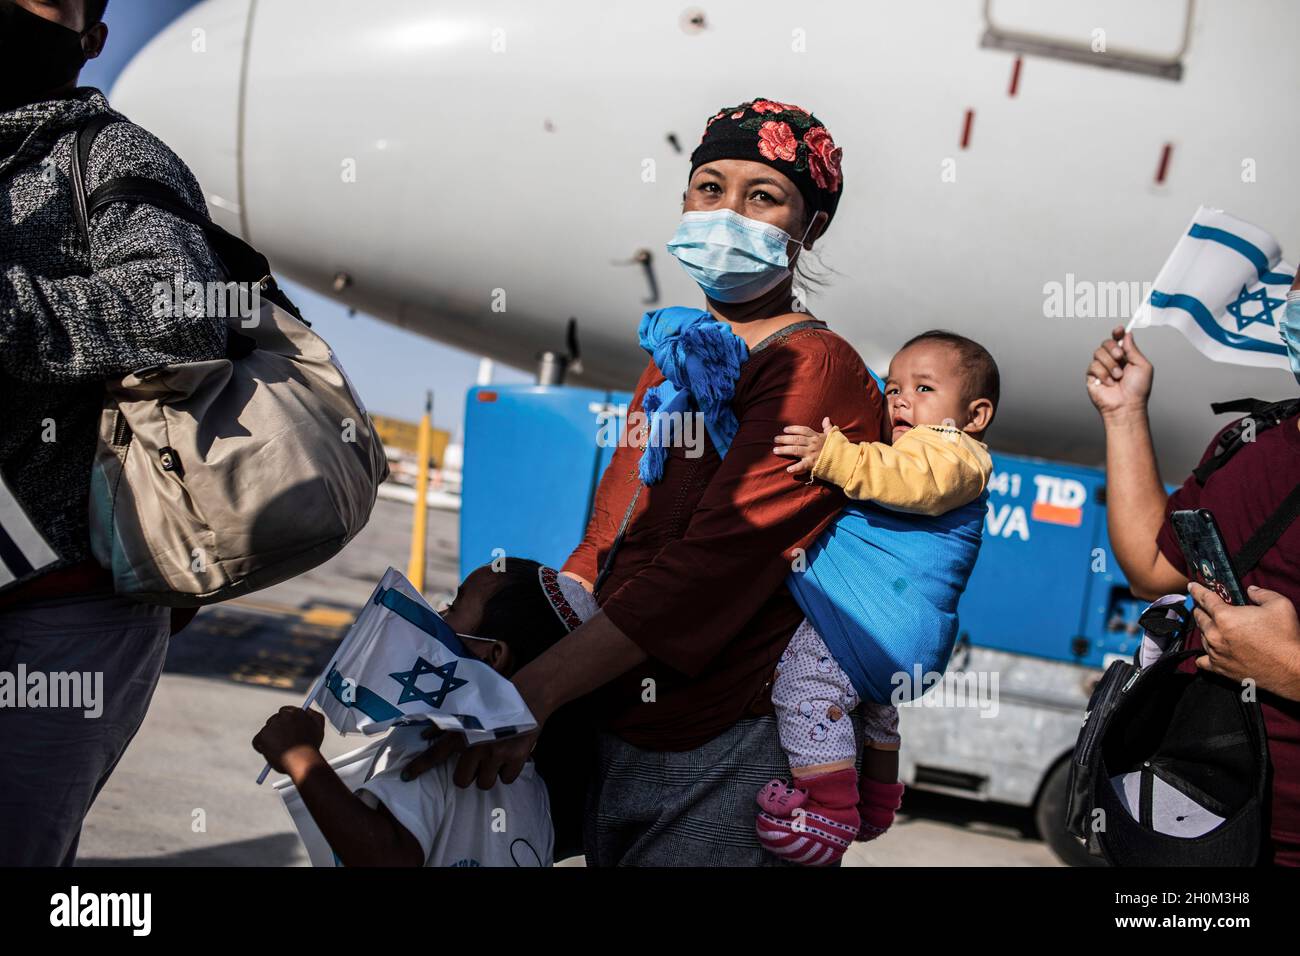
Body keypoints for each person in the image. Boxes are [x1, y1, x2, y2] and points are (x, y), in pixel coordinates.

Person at [408, 98, 887, 866]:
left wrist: (537, 692)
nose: (726, 212)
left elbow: (711, 569)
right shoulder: (672, 364)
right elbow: (607, 540)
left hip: (723, 744)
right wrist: (509, 642)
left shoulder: (812, 369)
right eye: (709, 187)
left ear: (811, 227)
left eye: (762, 197)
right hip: (619, 721)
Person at [0, 0, 229, 866]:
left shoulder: (106, 155)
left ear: (90, 38)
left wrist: (11, 311)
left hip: (60, 599)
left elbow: (188, 309)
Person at [760, 330, 997, 863]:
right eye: (892, 388)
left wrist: (834, 457)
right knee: (872, 709)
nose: (902, 399)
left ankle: (826, 809)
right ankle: (876, 801)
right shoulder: (921, 443)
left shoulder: (955, 453)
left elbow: (914, 482)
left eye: (924, 387)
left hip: (885, 622)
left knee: (807, 683)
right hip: (901, 640)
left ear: (975, 415)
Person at [1085, 298, 1300, 865]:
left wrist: (1287, 666)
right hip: (1192, 832)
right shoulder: (1251, 439)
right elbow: (1152, 571)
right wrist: (1124, 414)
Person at [252, 559, 597, 867]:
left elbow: (384, 857)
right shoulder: (534, 786)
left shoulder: (434, 746)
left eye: (453, 606)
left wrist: (299, 755)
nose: (438, 617)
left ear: (493, 656)